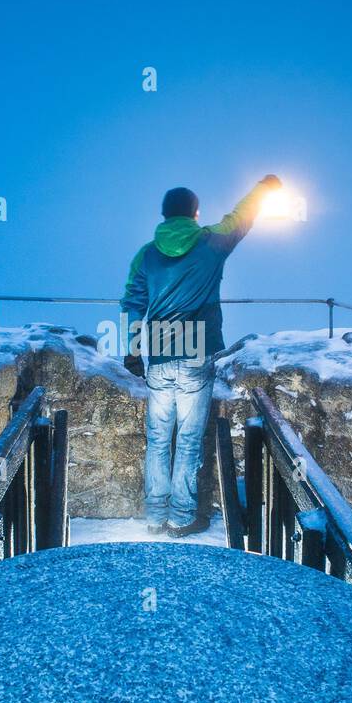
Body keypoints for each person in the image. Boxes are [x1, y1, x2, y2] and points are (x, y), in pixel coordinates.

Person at [120, 175, 282, 536]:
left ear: (164, 215)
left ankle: (154, 517)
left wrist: (132, 352)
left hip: (159, 354)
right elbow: (242, 217)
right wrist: (264, 188)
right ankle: (181, 517)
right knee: (189, 439)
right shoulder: (210, 242)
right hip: (197, 350)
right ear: (195, 213)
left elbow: (133, 303)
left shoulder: (146, 254)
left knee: (159, 439)